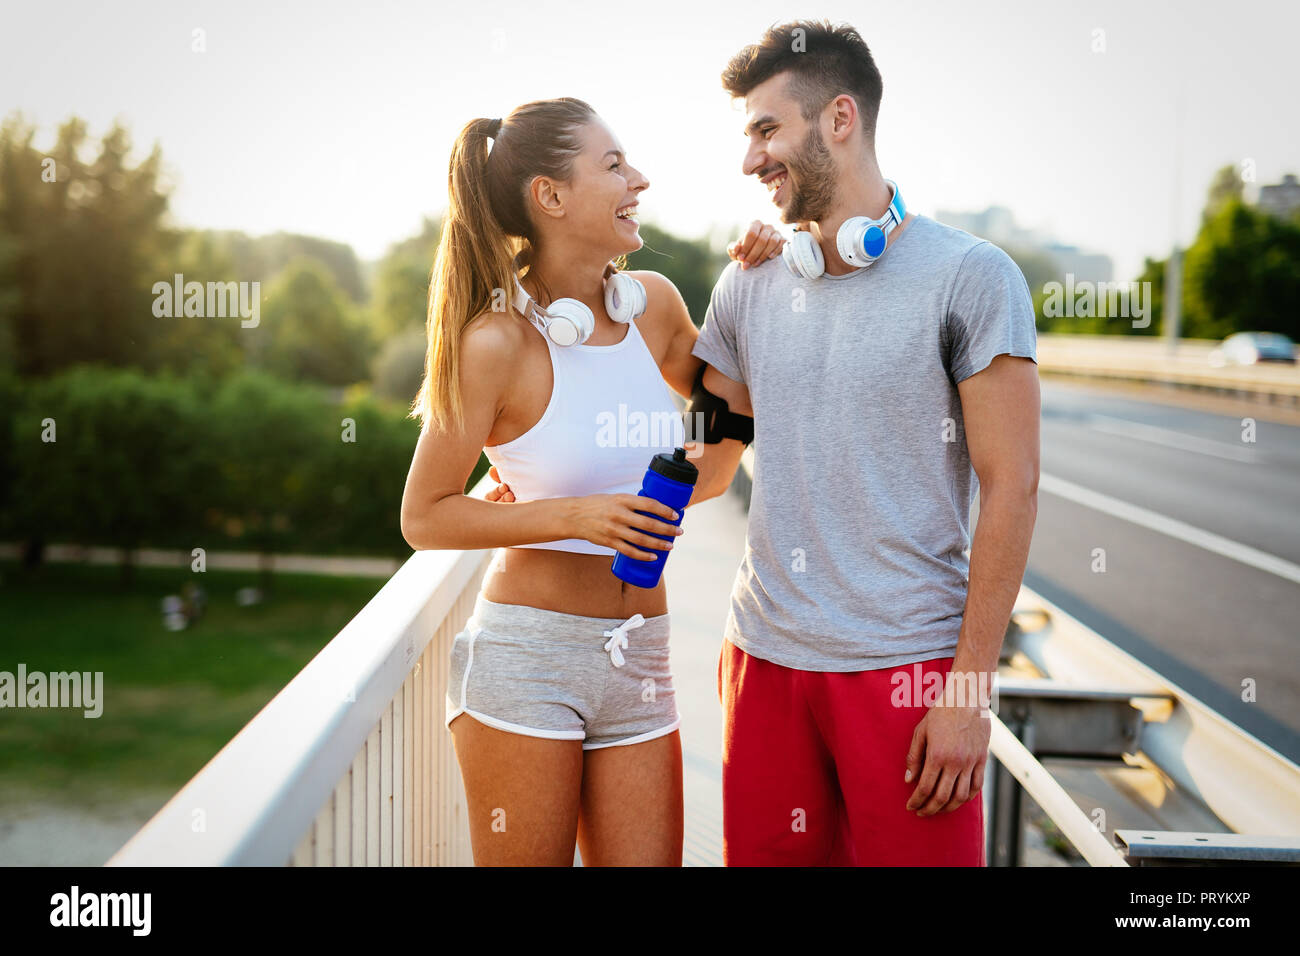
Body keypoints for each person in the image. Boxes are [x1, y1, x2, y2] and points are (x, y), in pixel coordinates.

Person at [687, 20, 1041, 865]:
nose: (750, 159)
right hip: (764, 665)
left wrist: (969, 689)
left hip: (908, 676)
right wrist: (540, 479)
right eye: (747, 137)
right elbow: (705, 467)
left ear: (839, 118)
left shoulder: (973, 277)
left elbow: (1014, 485)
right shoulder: (750, 280)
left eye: (767, 130)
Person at [399, 98, 780, 866]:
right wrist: (574, 516)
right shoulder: (495, 342)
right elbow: (425, 516)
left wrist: (755, 289)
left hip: (642, 656)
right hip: (529, 660)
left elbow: (721, 437)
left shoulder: (656, 309)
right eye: (614, 165)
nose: (638, 178)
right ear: (551, 196)